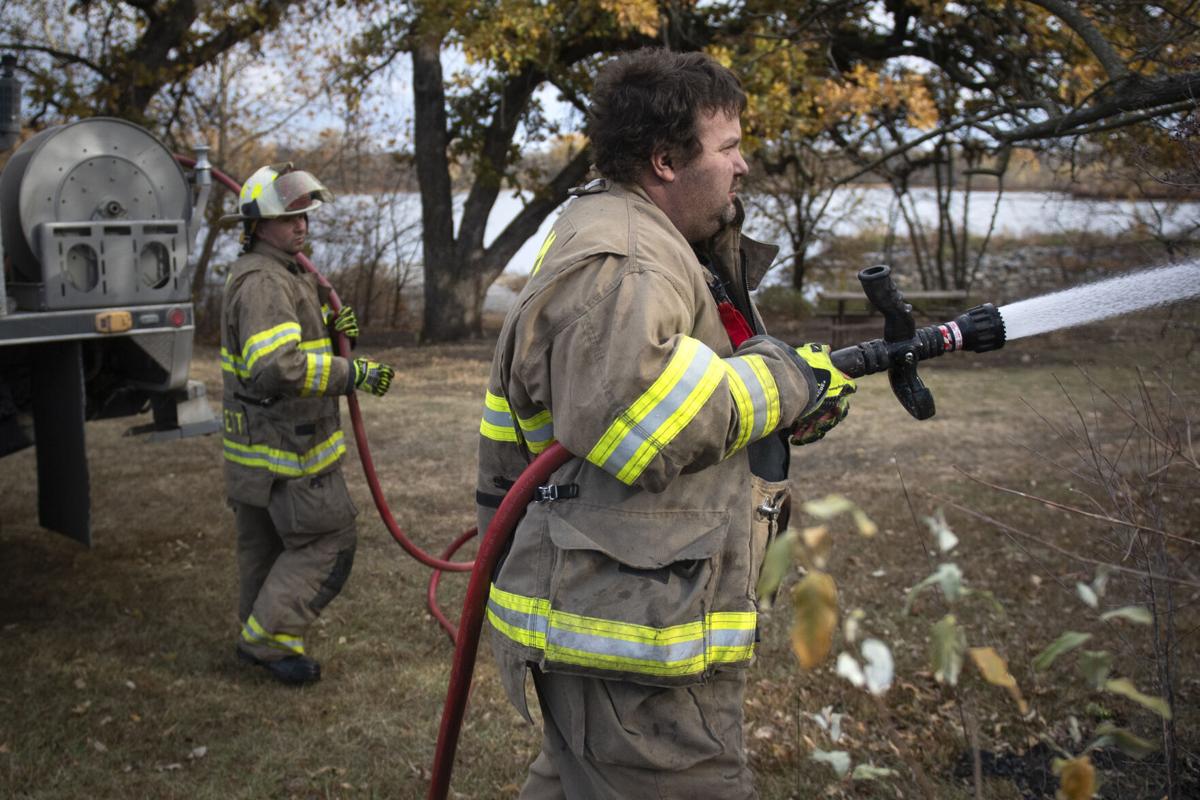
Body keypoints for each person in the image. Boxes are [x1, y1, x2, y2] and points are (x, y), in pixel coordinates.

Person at [475, 49, 856, 798]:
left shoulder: (651, 238)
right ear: (664, 160)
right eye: (727, 147)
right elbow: (640, 419)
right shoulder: (627, 261)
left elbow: (688, 388)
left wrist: (794, 406)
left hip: (626, 613)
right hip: (627, 641)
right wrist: (788, 379)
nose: (743, 164)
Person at [219, 163, 396, 685]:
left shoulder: (283, 274)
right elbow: (276, 367)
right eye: (288, 216)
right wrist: (353, 372)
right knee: (329, 539)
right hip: (287, 451)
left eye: (304, 215)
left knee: (267, 546)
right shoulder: (264, 281)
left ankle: (259, 638)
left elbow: (294, 344)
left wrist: (334, 329)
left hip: (260, 448)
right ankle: (268, 639)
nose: (301, 225)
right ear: (257, 225)